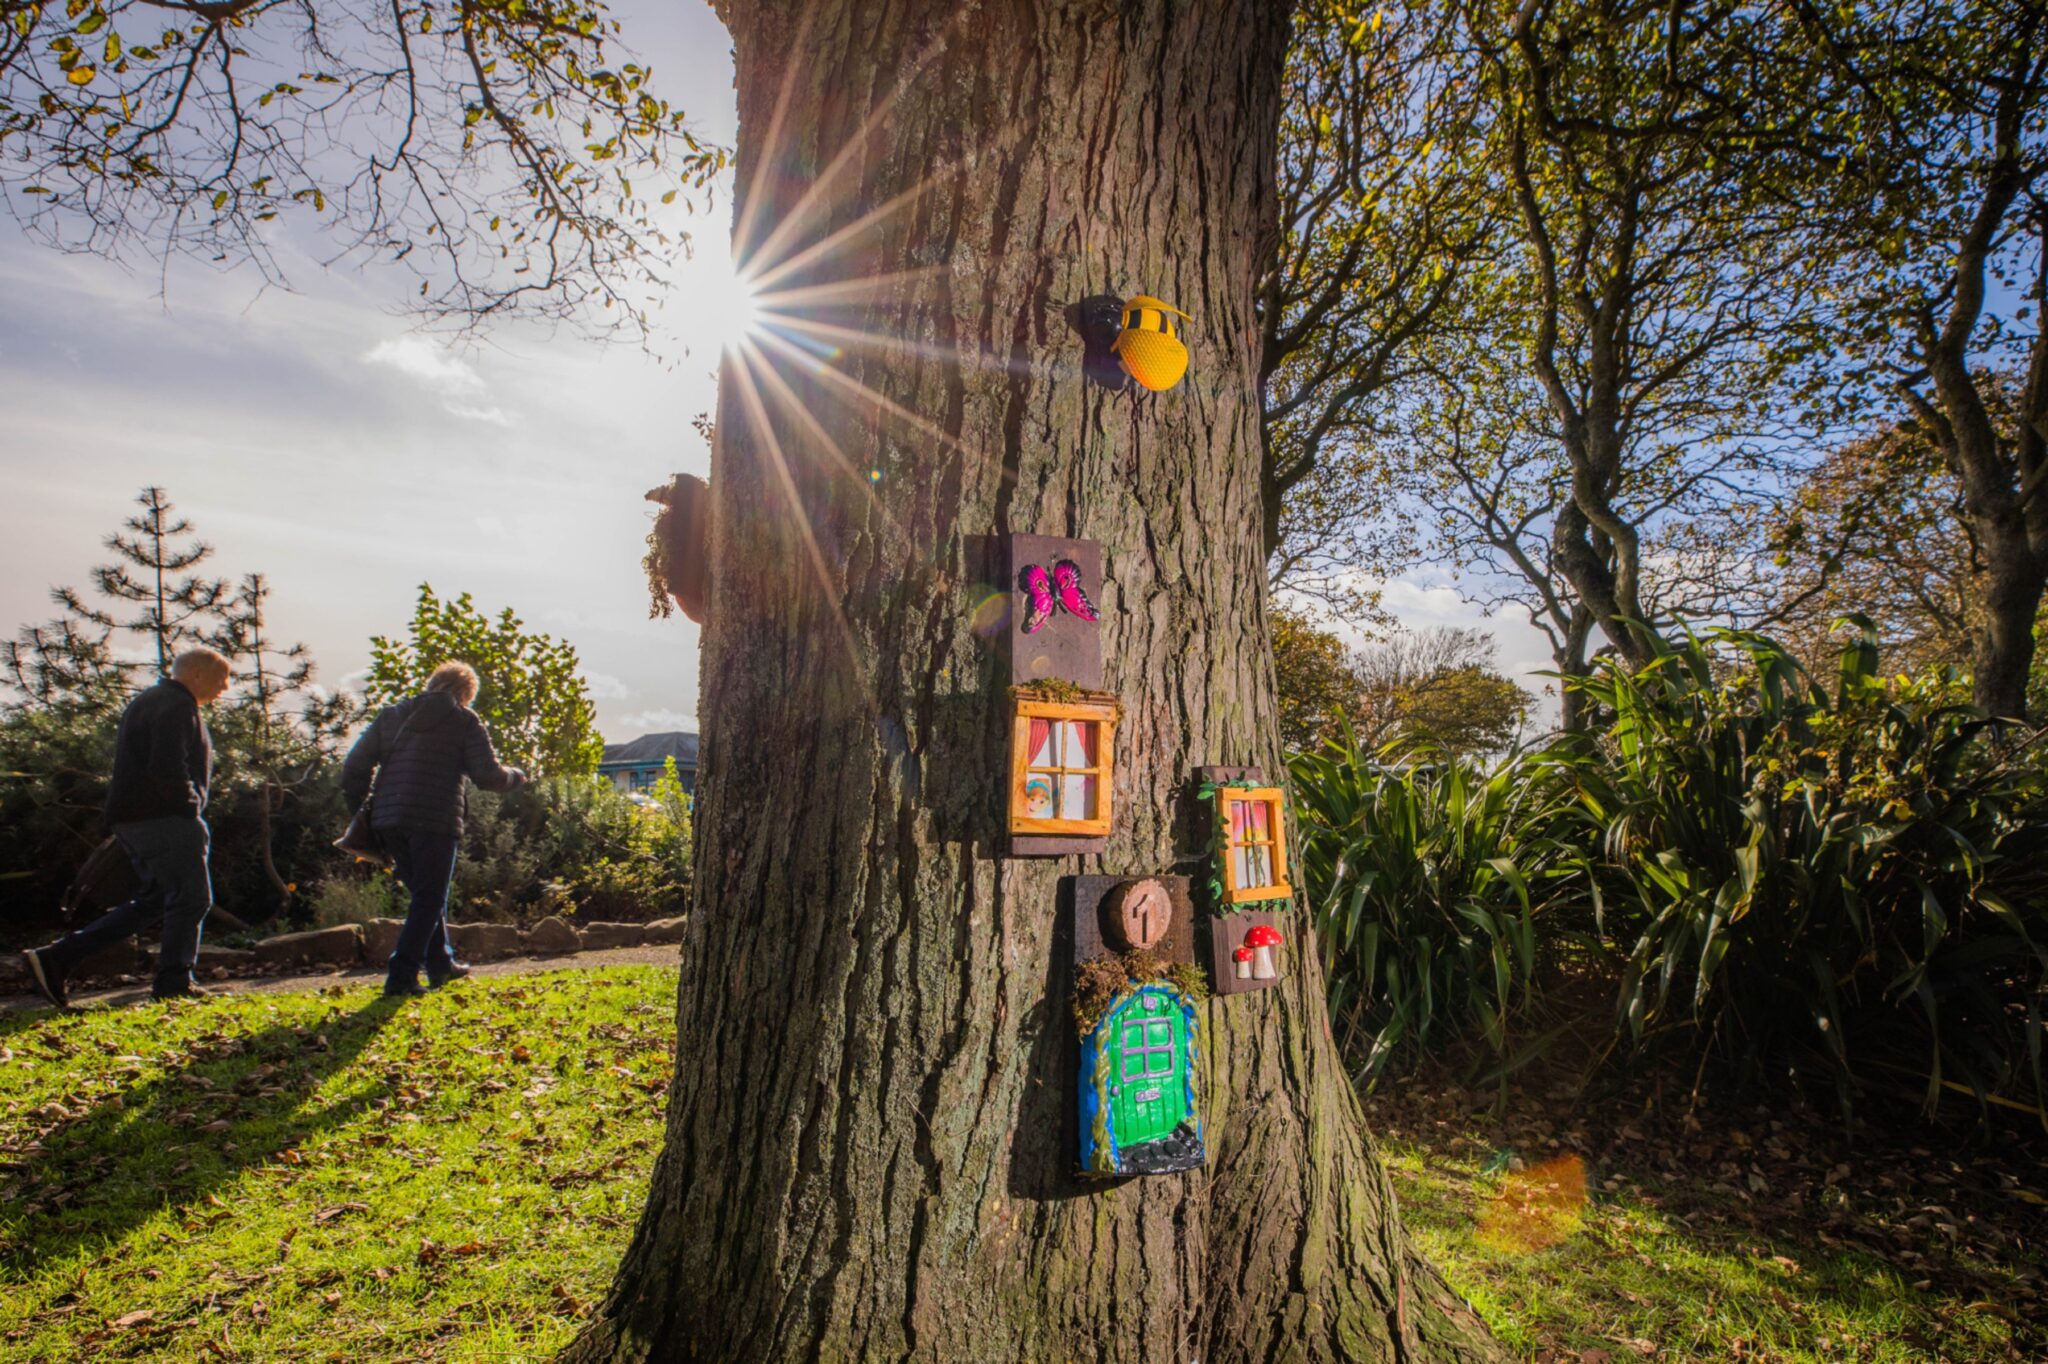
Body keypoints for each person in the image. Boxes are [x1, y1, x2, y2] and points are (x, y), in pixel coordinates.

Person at [22, 647, 234, 1006]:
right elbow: (167, 765)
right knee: (192, 898)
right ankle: (174, 985)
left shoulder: (153, 700)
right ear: (196, 673)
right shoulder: (176, 703)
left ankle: (56, 959)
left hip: (138, 819)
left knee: (153, 901)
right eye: (222, 677)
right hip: (164, 818)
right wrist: (189, 808)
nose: (225, 687)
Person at [341, 661, 525, 997]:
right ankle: (401, 976)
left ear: (431, 684)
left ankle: (441, 964)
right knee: (429, 896)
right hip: (435, 819)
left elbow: (353, 766)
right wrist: (516, 776)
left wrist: (362, 810)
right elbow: (487, 776)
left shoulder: (392, 715)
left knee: (424, 896)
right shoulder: (463, 719)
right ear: (466, 694)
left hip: (388, 819)